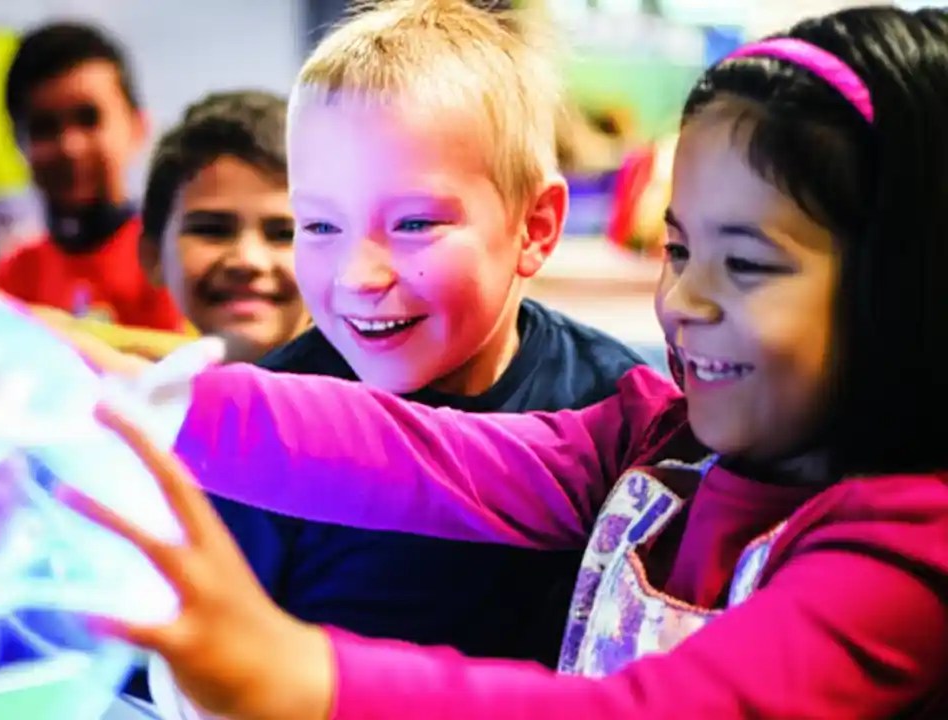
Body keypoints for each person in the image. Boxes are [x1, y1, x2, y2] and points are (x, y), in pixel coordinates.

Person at [63, 5, 948, 718]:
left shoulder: (910, 551)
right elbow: (414, 454)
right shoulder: (653, 438)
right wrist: (107, 390)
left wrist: (298, 675)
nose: (684, 302)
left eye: (746, 264)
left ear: (907, 282)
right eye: (678, 252)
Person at [211, 0, 642, 667]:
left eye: (414, 224)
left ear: (535, 227)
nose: (358, 275)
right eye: (320, 226)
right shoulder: (264, 430)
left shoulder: (612, 408)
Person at [0, 22, 184, 331]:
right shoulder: (6, 284)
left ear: (138, 127)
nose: (70, 147)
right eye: (44, 127)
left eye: (89, 118)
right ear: (18, 143)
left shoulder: (177, 262)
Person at [140, 90, 309, 363]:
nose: (247, 260)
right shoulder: (148, 392)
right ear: (153, 256)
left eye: (284, 234)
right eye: (212, 230)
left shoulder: (373, 398)